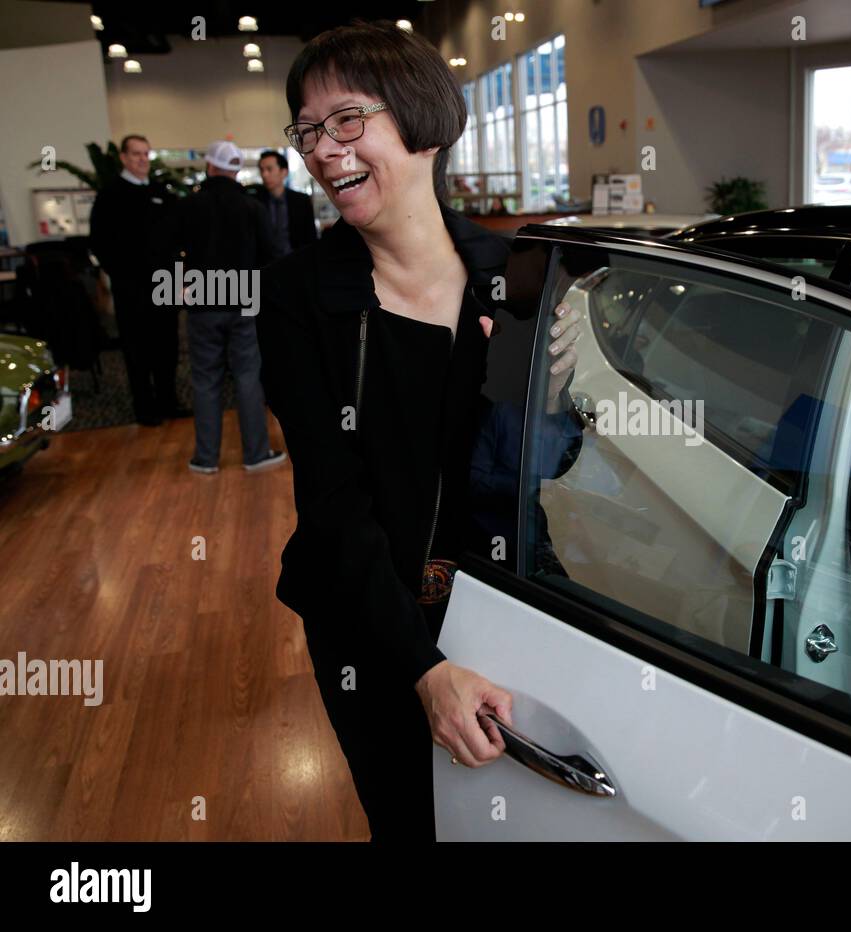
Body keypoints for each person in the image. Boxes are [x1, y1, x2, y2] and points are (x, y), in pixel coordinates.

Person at [255, 21, 581, 841]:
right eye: (307, 129)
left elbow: (547, 472)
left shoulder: (519, 281)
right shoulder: (303, 296)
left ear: (424, 125)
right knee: (409, 815)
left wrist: (568, 395)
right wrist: (421, 667)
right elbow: (332, 502)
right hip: (366, 615)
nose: (324, 151)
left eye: (347, 120)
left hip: (498, 602)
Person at [174, 140, 285, 474]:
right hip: (244, 302)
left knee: (205, 380)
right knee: (248, 376)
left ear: (209, 166)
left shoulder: (188, 206)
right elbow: (271, 255)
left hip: (202, 304)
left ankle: (205, 459)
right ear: (236, 169)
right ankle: (256, 454)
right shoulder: (252, 207)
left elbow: (168, 251)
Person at [89, 134, 186, 426]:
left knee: (168, 349)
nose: (142, 159)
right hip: (132, 291)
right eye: (136, 154)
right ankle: (145, 408)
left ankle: (169, 401)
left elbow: (177, 238)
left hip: (166, 288)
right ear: (123, 157)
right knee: (138, 352)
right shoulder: (110, 195)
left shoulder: (162, 193)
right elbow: (99, 243)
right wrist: (122, 275)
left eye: (146, 153)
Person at [251, 150, 318, 259]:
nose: (264, 174)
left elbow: (310, 236)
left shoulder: (301, 200)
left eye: (269, 169)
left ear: (284, 172)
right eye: (261, 170)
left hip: (297, 261)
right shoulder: (256, 201)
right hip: (266, 266)